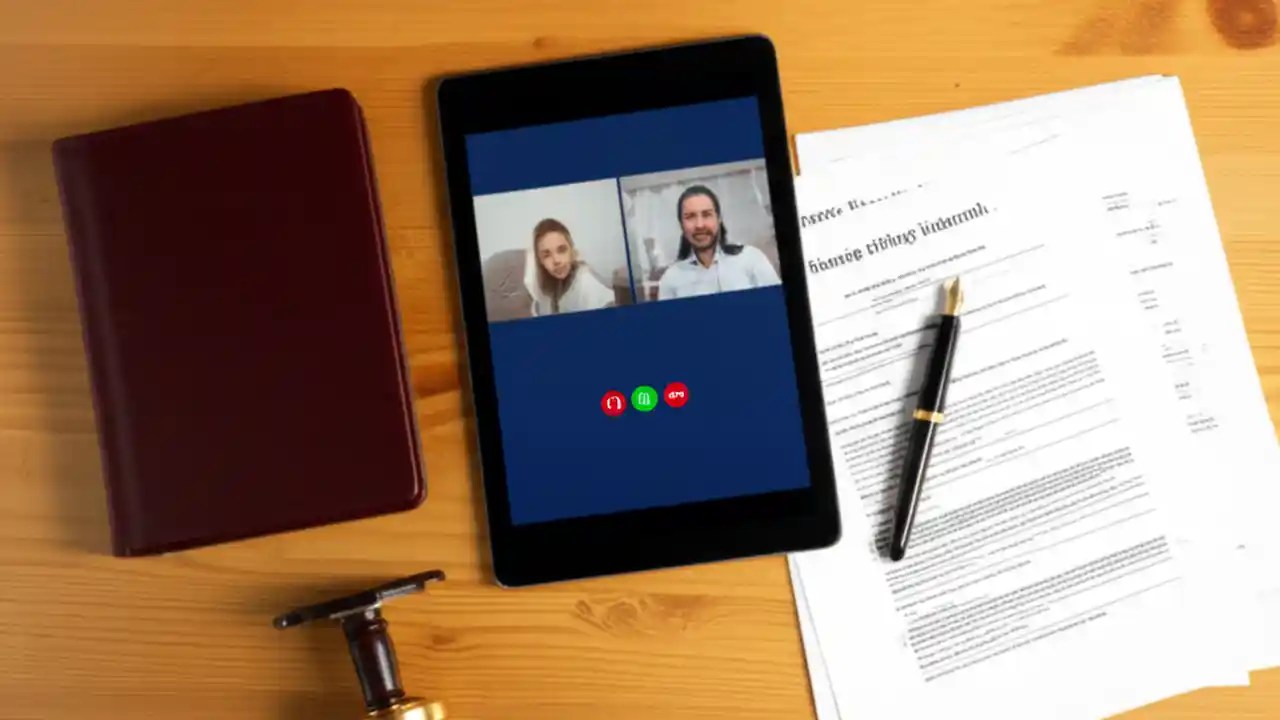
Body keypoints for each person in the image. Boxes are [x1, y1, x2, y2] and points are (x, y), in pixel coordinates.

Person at [656, 184, 780, 300]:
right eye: (690, 217)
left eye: (707, 214)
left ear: (719, 219)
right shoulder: (670, 279)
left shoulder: (751, 259)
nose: (699, 225)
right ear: (681, 224)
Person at [526, 218, 615, 316]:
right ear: (540, 261)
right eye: (546, 255)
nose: (556, 260)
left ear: (571, 251)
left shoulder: (586, 283)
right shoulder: (544, 288)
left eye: (562, 250)